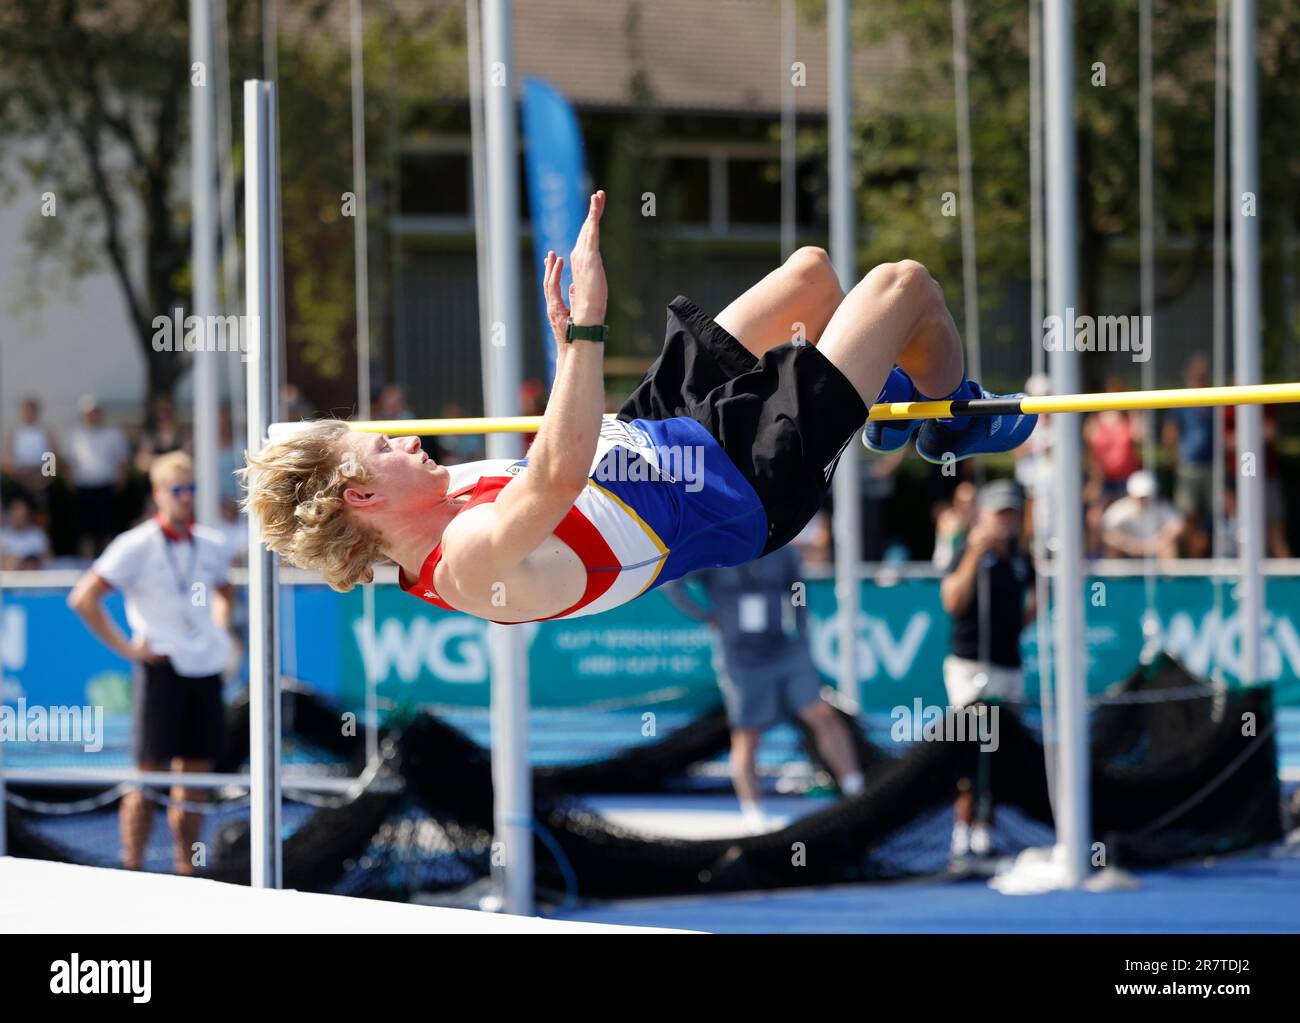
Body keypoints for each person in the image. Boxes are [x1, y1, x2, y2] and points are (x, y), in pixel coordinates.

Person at [242, 190, 1035, 623]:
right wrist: (589, 325)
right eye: (382, 446)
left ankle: (870, 390)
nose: (406, 437)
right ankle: (949, 417)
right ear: (364, 497)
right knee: (903, 285)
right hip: (739, 488)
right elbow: (555, 477)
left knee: (812, 276)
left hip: (660, 428)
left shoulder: (439, 490)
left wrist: (566, 356)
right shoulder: (468, 562)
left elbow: (567, 440)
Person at [67, 452, 234, 875]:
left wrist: (218, 633)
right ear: (159, 494)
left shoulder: (211, 543)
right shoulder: (136, 543)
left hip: (204, 670)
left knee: (194, 782)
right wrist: (129, 650)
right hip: (160, 669)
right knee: (147, 777)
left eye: (191, 488)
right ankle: (133, 868)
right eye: (177, 489)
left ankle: (187, 870)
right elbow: (83, 598)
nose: (186, 497)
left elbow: (224, 592)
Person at [661, 545, 865, 833]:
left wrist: (802, 634)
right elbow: (672, 584)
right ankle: (753, 811)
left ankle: (855, 789)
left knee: (821, 713)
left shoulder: (783, 550)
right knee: (747, 733)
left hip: (783, 648)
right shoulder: (714, 549)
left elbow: (798, 590)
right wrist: (706, 617)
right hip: (741, 657)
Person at [939, 479, 1035, 861]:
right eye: (999, 513)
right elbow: (952, 601)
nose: (1006, 521)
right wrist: (975, 554)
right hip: (971, 664)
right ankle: (962, 828)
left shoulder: (1020, 557)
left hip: (1008, 662)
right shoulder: (967, 549)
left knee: (1000, 749)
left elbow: (1027, 609)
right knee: (971, 746)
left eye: (1011, 513)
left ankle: (986, 827)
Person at [65, 394, 130, 558]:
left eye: (96, 412)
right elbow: (68, 463)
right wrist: (71, 482)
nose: (93, 416)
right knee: (85, 530)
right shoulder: (76, 435)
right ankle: (86, 564)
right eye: (89, 413)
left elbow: (121, 462)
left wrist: (119, 482)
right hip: (84, 487)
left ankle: (108, 563)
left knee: (108, 529)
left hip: (106, 486)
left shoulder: (113, 434)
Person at [1162, 357, 1215, 557]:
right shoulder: (1182, 400)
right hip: (1190, 466)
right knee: (1188, 515)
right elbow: (1170, 433)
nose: (1201, 378)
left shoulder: (1213, 399)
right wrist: (1176, 460)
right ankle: (1193, 559)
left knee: (1212, 515)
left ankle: (1204, 556)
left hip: (1211, 466)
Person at [1101, 469, 1183, 560]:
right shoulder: (1119, 509)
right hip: (1127, 550)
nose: (1142, 500)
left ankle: (1169, 574)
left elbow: (1177, 525)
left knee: (1168, 549)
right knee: (1112, 550)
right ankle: (1114, 574)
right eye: (1139, 497)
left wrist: (1159, 542)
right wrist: (1127, 545)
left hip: (1155, 547)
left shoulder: (1160, 506)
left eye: (1145, 497)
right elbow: (1106, 532)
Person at [2, 395, 56, 519]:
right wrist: (21, 477)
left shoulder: (45, 432)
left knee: (41, 515)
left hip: (41, 479)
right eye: (27, 409)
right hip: (20, 479)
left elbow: (52, 456)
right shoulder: (15, 432)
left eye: (32, 410)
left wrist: (44, 479)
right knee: (19, 513)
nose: (29, 413)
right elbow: (7, 459)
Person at [0, 496, 51, 569]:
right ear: (10, 513)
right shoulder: (2, 535)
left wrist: (32, 563)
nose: (18, 516)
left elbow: (48, 559)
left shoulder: (37, 534)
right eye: (15, 512)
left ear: (27, 514)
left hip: (34, 577)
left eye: (22, 513)